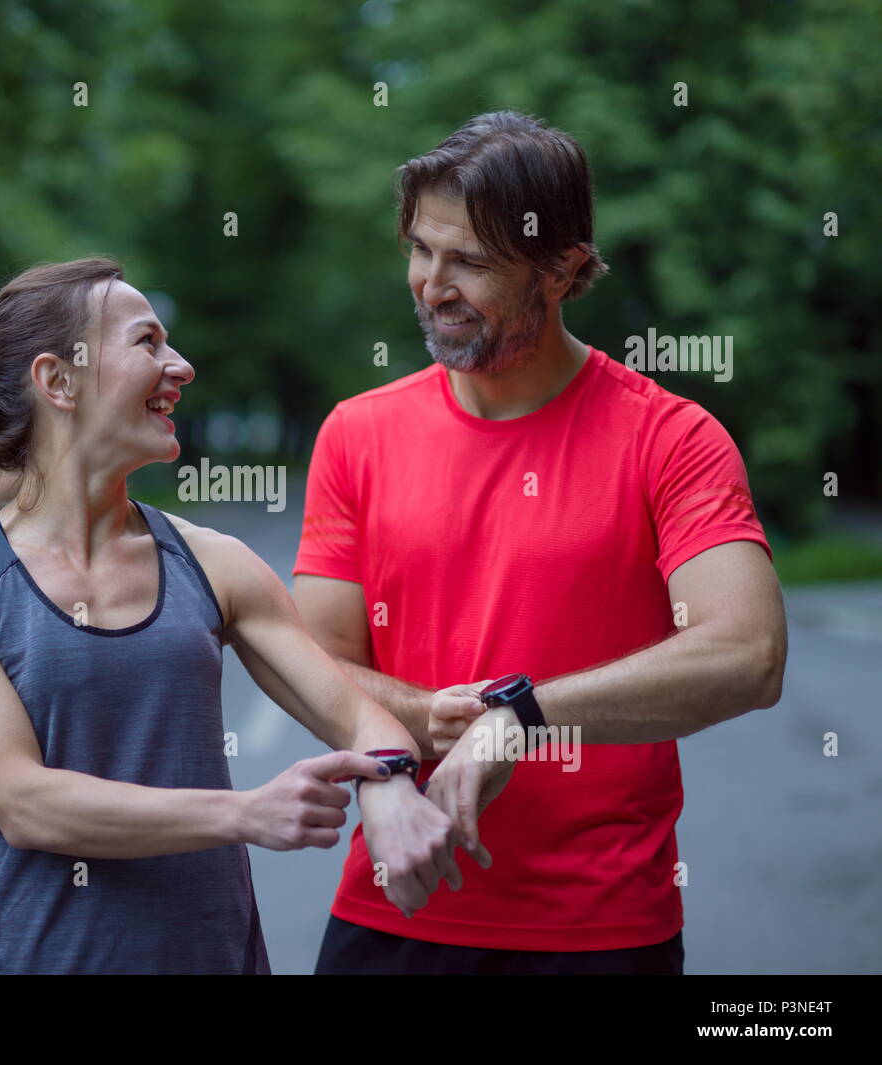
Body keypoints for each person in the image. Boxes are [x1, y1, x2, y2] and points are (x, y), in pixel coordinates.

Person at [0, 257, 497, 975]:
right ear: (58, 380)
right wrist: (243, 812)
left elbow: (355, 712)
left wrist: (390, 781)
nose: (180, 366)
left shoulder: (216, 561)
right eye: (146, 342)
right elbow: (27, 804)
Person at [291, 110, 788, 975]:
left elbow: (749, 654)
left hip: (599, 933)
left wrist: (521, 717)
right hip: (396, 905)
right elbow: (311, 659)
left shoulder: (672, 437)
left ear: (560, 270)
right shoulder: (355, 434)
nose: (430, 284)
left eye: (471, 262)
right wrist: (409, 733)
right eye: (420, 249)